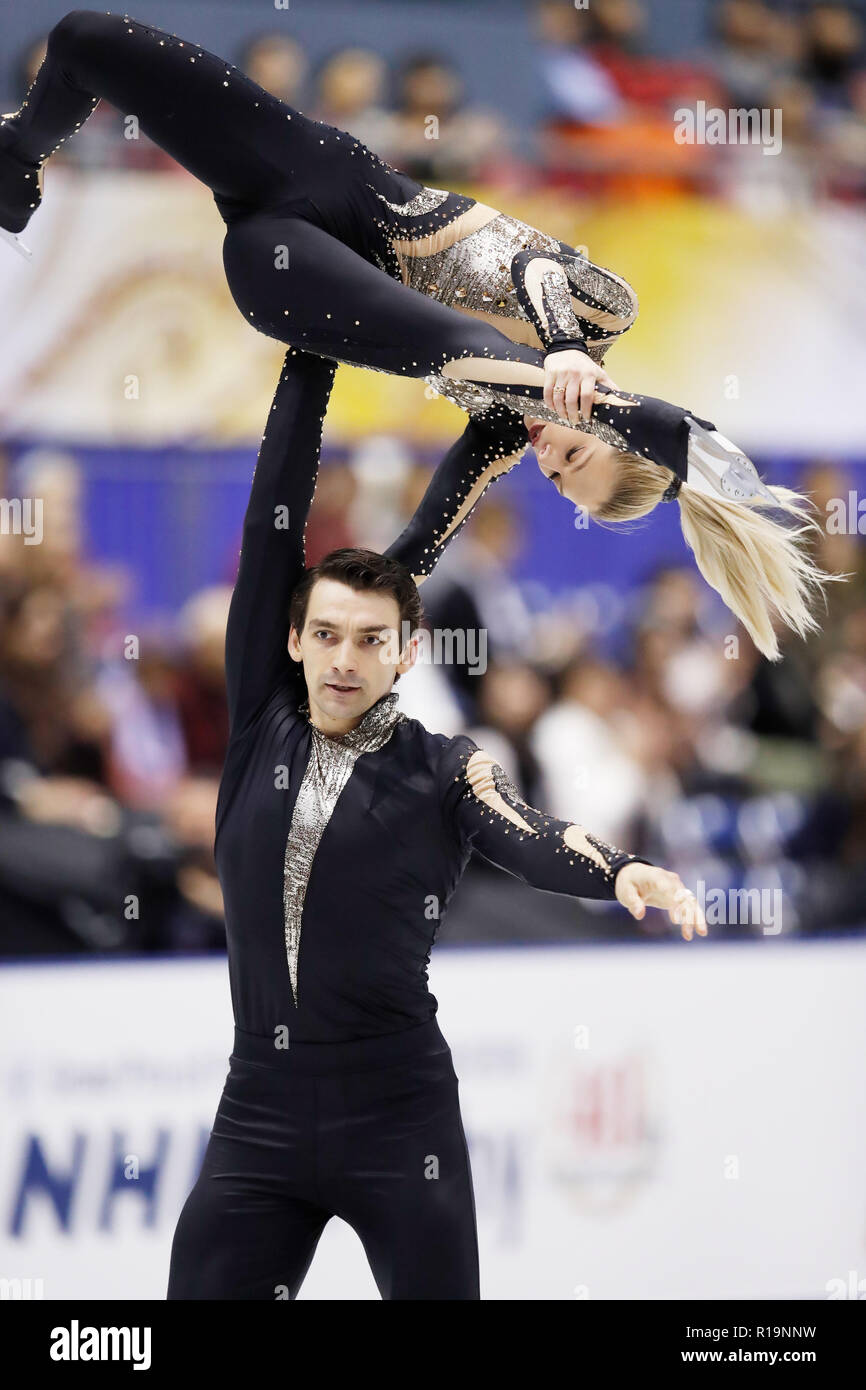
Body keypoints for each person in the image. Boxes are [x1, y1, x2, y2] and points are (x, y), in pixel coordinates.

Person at [0, 9, 841, 665]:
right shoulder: (602, 314)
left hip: (285, 276)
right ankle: (14, 159)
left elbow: (420, 544)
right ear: (619, 424)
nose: (547, 455)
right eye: (576, 456)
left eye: (554, 476)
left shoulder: (511, 411)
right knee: (86, 40)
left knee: (490, 367)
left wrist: (371, 616)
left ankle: (671, 438)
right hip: (312, 173)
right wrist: (570, 350)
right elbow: (531, 268)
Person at [163, 343, 705, 1300]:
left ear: (407, 654)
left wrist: (620, 870)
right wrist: (311, 354)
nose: (342, 659)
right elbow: (273, 517)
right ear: (290, 640)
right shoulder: (261, 715)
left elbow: (525, 831)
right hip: (262, 1118)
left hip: (400, 1120)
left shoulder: (444, 770)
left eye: (371, 642)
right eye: (323, 636)